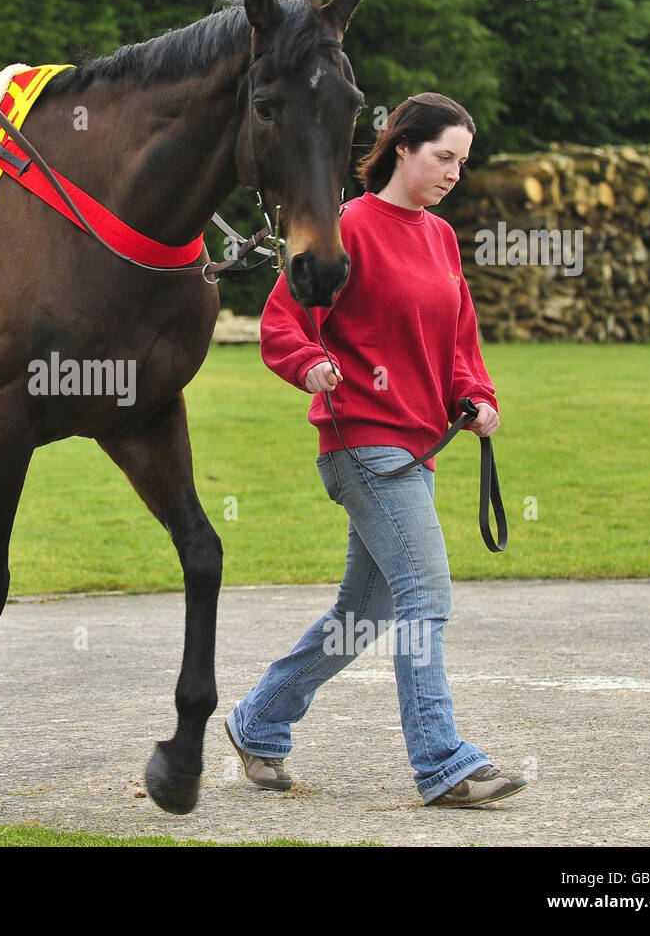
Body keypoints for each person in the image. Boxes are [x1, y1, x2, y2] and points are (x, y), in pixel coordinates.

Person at [225, 93, 529, 808]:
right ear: (401, 147)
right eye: (444, 156)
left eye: (462, 160)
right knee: (427, 597)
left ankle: (259, 722)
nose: (455, 171)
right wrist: (310, 364)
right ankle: (443, 761)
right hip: (362, 441)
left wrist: (474, 396)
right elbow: (281, 323)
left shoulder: (441, 238)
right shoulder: (346, 227)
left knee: (360, 616)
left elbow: (458, 341)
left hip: (417, 447)